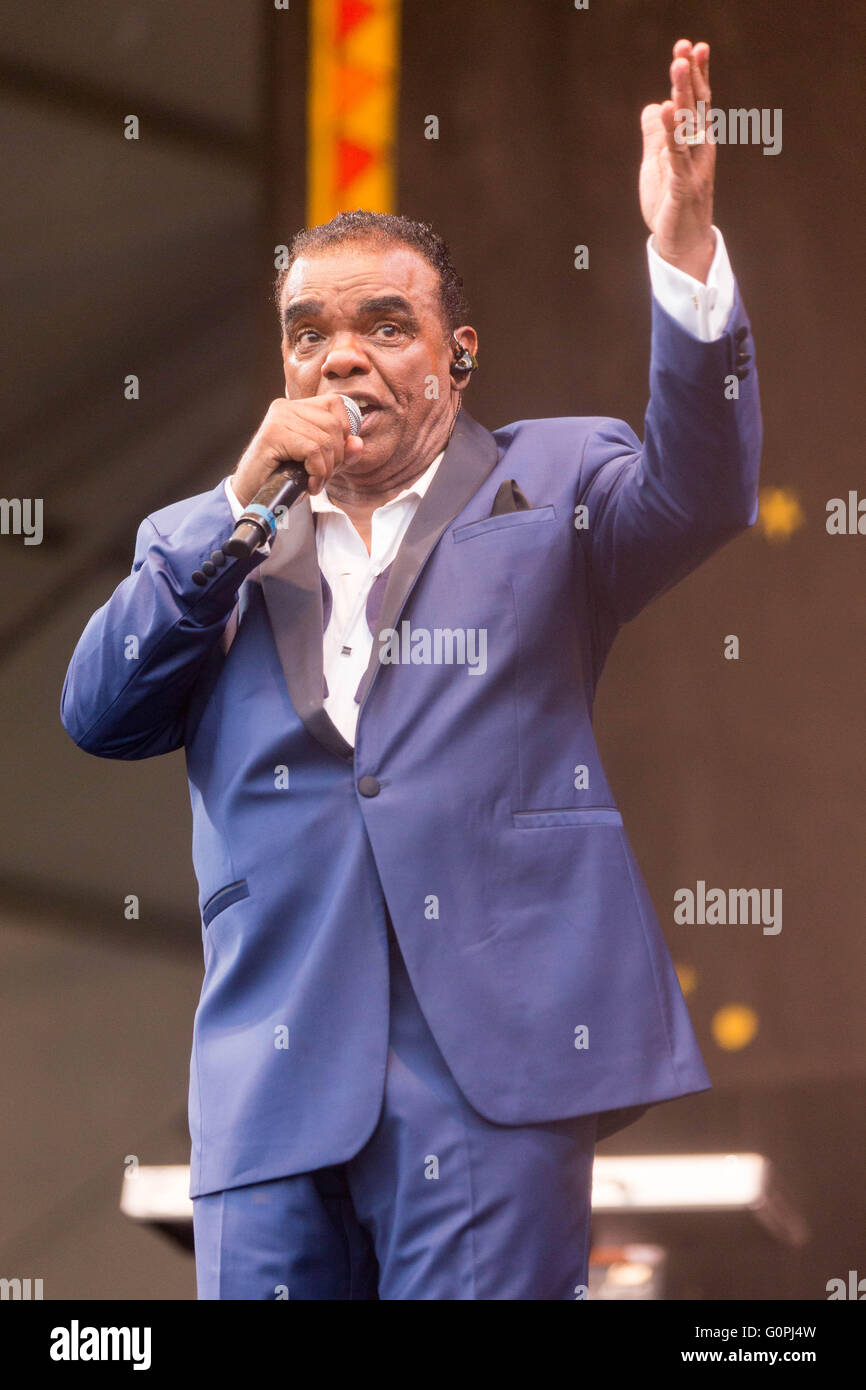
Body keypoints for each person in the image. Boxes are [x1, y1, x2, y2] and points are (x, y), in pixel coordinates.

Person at [60, 38, 761, 1299]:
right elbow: (98, 713)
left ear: (457, 357)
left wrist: (684, 254)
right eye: (309, 334)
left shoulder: (549, 483)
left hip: (484, 1077)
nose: (342, 357)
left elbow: (701, 489)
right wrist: (239, 507)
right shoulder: (208, 539)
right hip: (272, 1083)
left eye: (387, 325)